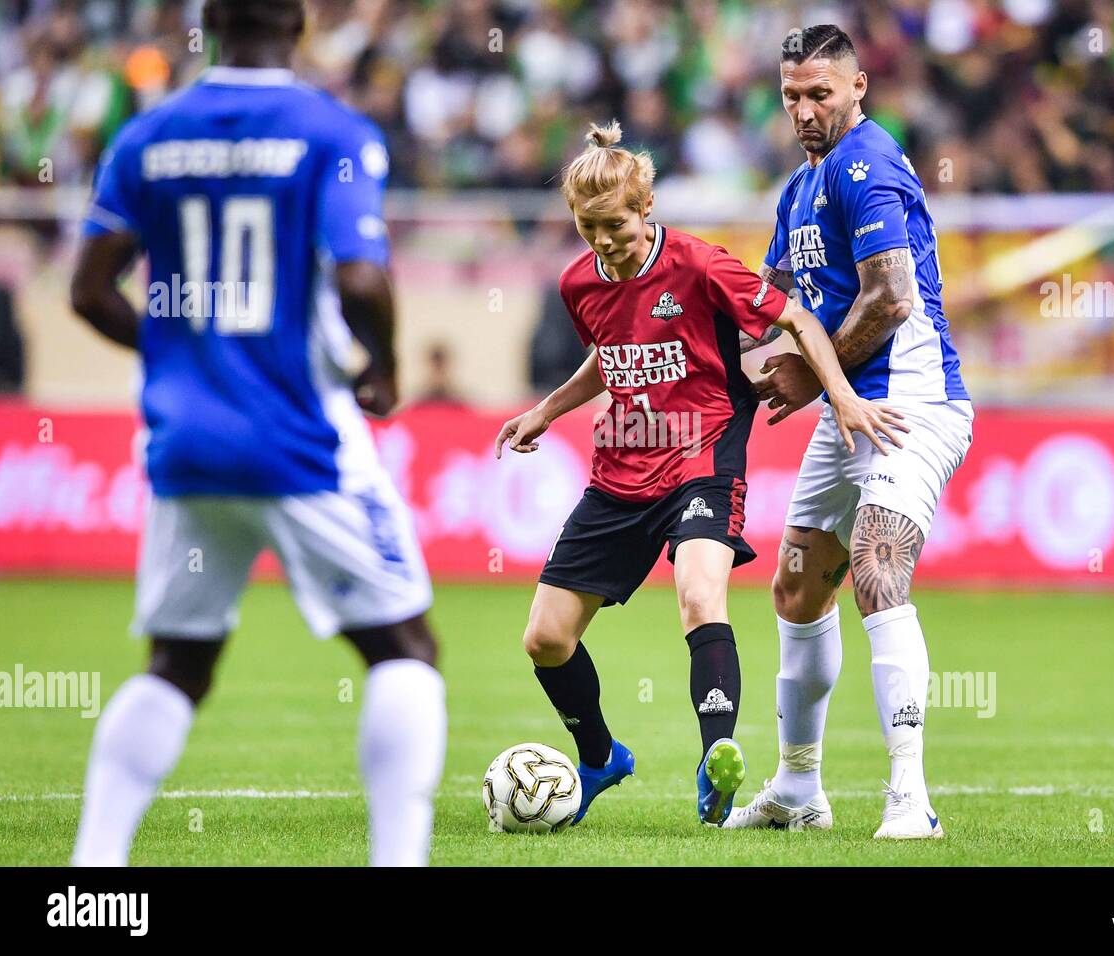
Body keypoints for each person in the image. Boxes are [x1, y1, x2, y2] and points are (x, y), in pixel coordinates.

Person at [67, 0, 445, 867]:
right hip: (299, 432)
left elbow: (88, 290)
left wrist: (177, 351)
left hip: (184, 439)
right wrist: (380, 364)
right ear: (300, 24)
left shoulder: (148, 135)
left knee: (178, 662)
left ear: (211, 21)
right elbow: (360, 277)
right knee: (404, 647)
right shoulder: (332, 130)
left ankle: (91, 876)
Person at [495, 120, 906, 827]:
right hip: (619, 468)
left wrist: (839, 393)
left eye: (616, 225)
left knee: (698, 593)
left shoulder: (699, 265)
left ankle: (717, 764)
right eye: (588, 227)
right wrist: (548, 410)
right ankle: (599, 758)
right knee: (546, 638)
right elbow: (612, 352)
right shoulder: (576, 283)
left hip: (702, 459)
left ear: (644, 209)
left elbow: (799, 321)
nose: (603, 241)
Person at [726, 25, 973, 839]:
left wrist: (805, 372)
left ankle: (911, 800)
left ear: (859, 86)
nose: (803, 109)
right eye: (791, 94)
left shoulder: (866, 165)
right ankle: (800, 788)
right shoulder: (799, 191)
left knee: (873, 565)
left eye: (819, 93)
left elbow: (891, 297)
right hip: (848, 409)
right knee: (798, 585)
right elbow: (767, 309)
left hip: (909, 402)